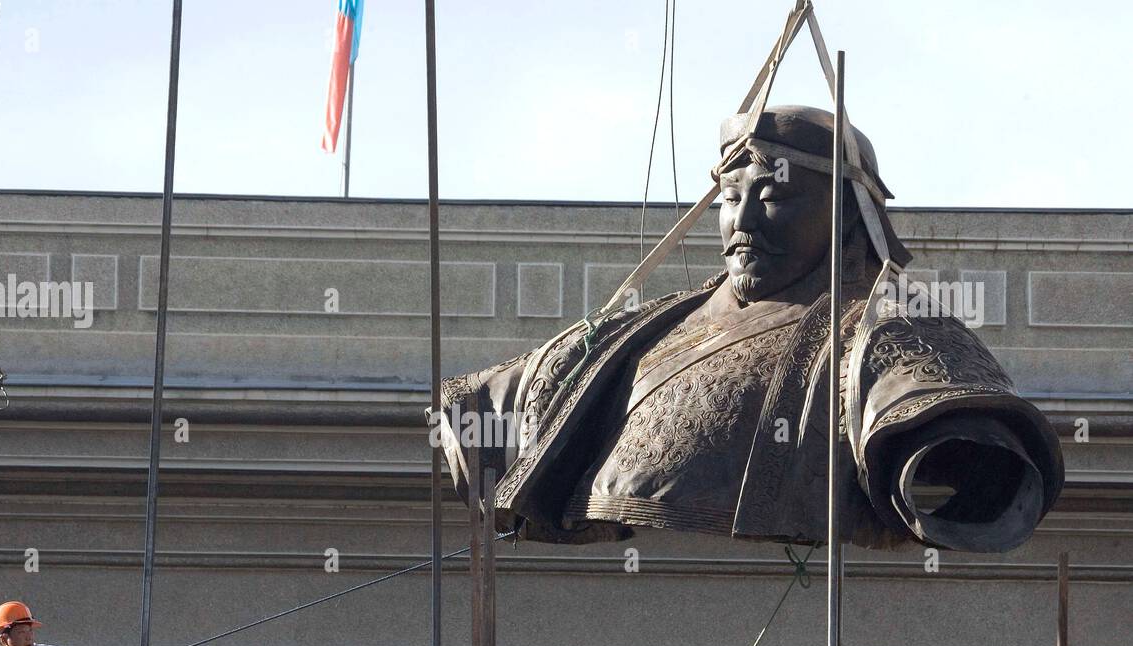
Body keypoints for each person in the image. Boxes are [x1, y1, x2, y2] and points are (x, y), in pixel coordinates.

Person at [435, 105, 1062, 553]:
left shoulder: (892, 332)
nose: (744, 222)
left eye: (776, 197)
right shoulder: (641, 331)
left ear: (846, 212)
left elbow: (969, 440)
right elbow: (490, 406)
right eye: (731, 197)